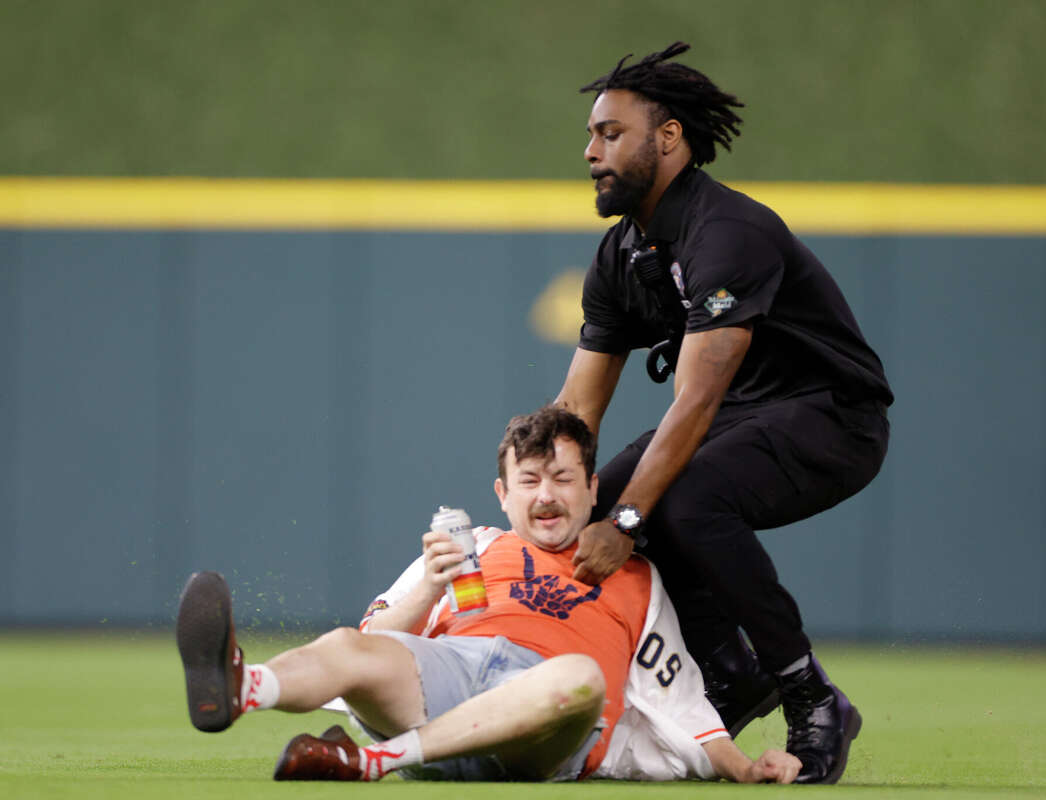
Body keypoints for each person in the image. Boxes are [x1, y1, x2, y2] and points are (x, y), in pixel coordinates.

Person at [555, 42, 893, 784]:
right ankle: (730, 673)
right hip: (740, 418)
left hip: (833, 416)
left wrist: (628, 525)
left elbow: (698, 399)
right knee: (603, 500)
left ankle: (813, 698)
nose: (590, 151)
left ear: (668, 136)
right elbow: (577, 408)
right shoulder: (623, 252)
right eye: (590, 135)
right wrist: (540, 495)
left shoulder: (728, 232)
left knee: (683, 499)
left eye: (611, 133)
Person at [176, 406, 800, 783]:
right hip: (451, 678)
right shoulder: (473, 543)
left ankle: (376, 762)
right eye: (528, 481)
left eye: (562, 479)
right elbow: (374, 644)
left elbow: (680, 703)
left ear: (591, 490)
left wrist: (746, 768)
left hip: (542, 723)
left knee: (578, 676)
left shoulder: (635, 578)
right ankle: (243, 686)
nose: (546, 495)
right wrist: (430, 581)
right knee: (345, 644)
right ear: (503, 495)